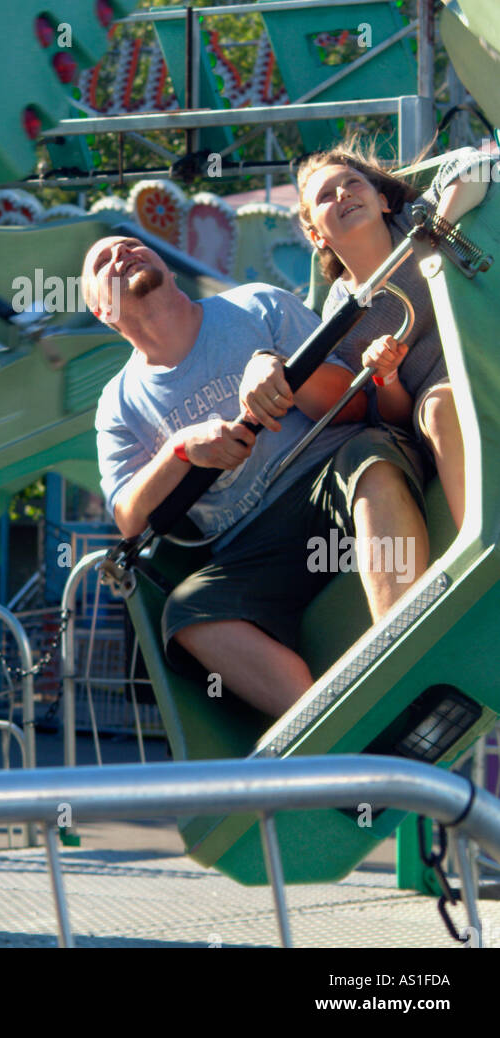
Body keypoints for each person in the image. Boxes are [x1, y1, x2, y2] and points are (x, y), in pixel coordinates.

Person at [83, 234, 429, 719]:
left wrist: (281, 372)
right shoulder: (117, 404)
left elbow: (354, 407)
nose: (122, 254)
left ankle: (404, 654)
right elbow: (128, 518)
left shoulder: (255, 306)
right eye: (103, 262)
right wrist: (182, 450)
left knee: (370, 458)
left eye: (132, 246)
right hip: (251, 543)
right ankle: (332, 731)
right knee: (186, 613)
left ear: (171, 267)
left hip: (330, 476)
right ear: (101, 310)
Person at [297, 139, 492, 531]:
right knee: (439, 410)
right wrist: (385, 376)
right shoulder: (340, 315)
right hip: (439, 388)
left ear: (383, 201)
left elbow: (477, 165)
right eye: (325, 196)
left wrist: (439, 226)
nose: (343, 194)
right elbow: (394, 418)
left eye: (353, 183)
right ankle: (484, 540)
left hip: (486, 343)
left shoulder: (415, 223)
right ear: (317, 235)